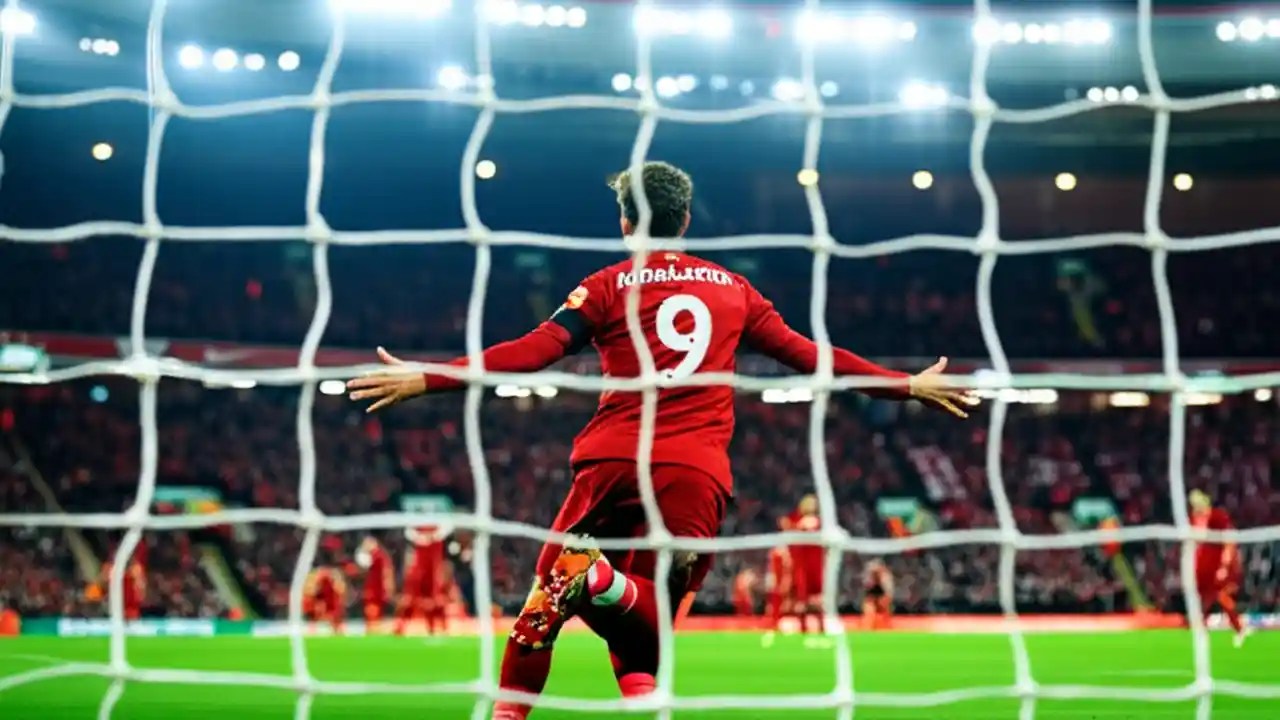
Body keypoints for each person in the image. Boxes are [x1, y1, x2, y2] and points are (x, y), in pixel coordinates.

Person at [346, 161, 974, 718]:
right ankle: (601, 585)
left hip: (611, 458)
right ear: (686, 220)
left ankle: (532, 687)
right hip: (693, 473)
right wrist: (906, 385)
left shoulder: (604, 285)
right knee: (651, 629)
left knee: (549, 605)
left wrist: (431, 376)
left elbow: (534, 351)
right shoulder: (738, 292)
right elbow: (815, 359)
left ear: (625, 222)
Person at [1189, 490, 1250, 647]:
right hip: (1203, 563)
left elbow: (1229, 539)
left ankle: (1239, 627)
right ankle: (1203, 630)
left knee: (1220, 596)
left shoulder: (1217, 516)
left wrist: (1225, 563)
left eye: (1197, 501)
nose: (1195, 504)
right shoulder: (1194, 518)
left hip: (1216, 562)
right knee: (1205, 598)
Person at [395, 525, 448, 636]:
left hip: (432, 571)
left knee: (435, 600)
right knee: (409, 599)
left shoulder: (437, 535)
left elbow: (446, 528)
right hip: (419, 571)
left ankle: (438, 628)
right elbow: (409, 532)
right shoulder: (417, 536)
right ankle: (400, 626)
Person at [788, 494, 827, 642]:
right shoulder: (821, 524)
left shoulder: (798, 524)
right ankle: (821, 629)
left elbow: (793, 546)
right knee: (816, 601)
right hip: (816, 566)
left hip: (803, 566)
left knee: (803, 601)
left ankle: (803, 630)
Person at [761, 518, 793, 648]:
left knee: (780, 606)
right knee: (774, 606)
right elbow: (780, 565)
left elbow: (787, 566)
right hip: (777, 580)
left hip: (780, 580)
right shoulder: (780, 545)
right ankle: (771, 628)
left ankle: (775, 628)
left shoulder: (786, 544)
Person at [357, 536, 395, 631]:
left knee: (373, 610)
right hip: (373, 587)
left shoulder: (379, 556)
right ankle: (372, 629)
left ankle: (373, 630)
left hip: (376, 589)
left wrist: (388, 587)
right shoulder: (374, 555)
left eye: (366, 544)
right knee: (371, 610)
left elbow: (386, 571)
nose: (365, 546)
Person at [303, 566, 346, 634]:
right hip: (323, 602)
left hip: (330, 603)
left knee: (336, 618)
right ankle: (312, 632)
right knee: (315, 616)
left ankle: (338, 631)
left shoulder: (332, 583)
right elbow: (310, 591)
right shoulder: (318, 580)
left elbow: (340, 590)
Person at [861, 559, 894, 631]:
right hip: (872, 597)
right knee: (869, 613)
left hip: (882, 596)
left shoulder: (886, 578)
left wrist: (883, 602)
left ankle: (885, 628)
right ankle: (867, 630)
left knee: (884, 615)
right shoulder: (869, 578)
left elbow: (888, 594)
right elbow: (868, 593)